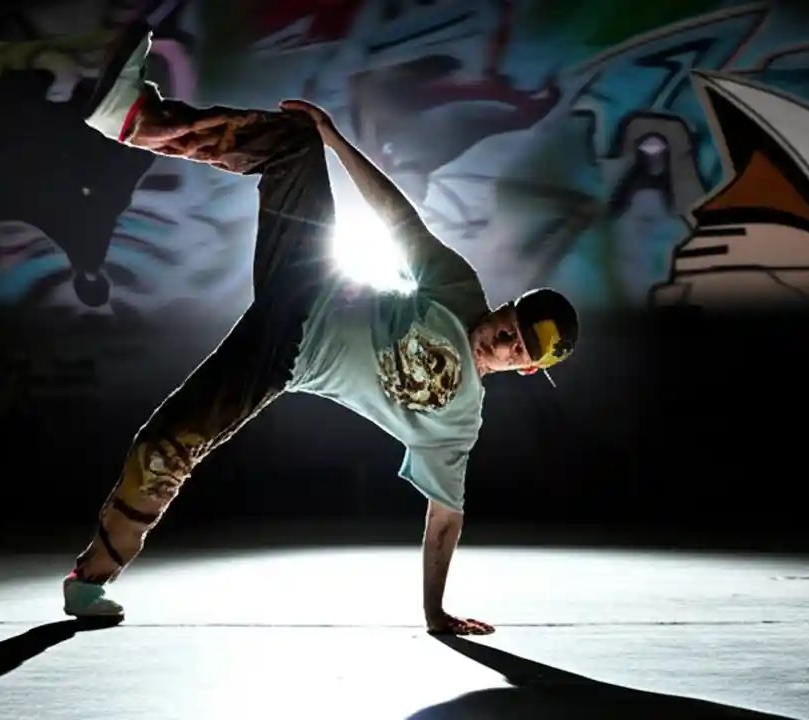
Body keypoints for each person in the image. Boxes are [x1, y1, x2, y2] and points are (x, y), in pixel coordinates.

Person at [61, 13, 580, 637]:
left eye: (514, 349)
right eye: (508, 325)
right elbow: (397, 216)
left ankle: (89, 582)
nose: (499, 340)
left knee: (167, 444)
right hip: (306, 278)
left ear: (523, 367)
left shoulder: (458, 421)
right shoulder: (458, 285)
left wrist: (435, 612)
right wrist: (334, 138)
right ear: (504, 309)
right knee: (295, 146)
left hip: (283, 354)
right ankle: (134, 118)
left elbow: (445, 517)